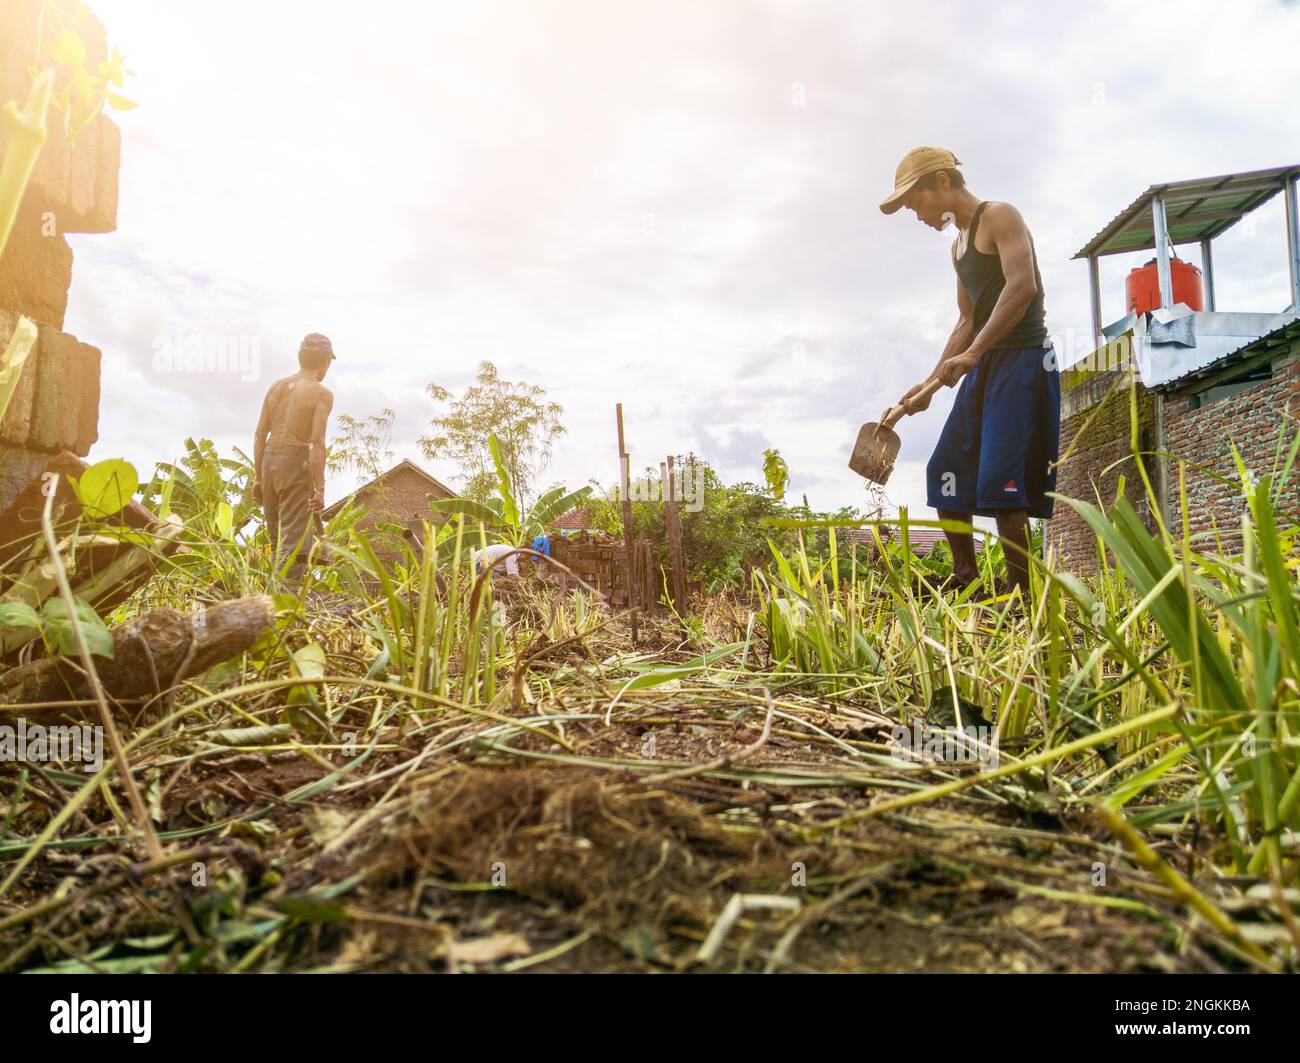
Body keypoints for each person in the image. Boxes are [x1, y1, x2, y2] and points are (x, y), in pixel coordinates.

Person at [880, 147, 1059, 600]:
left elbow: (1022, 286)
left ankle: (1021, 600)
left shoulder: (1000, 216)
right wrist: (927, 385)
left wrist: (976, 353)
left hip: (1022, 361)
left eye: (914, 202)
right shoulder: (958, 247)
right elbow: (966, 321)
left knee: (1004, 486)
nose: (916, 215)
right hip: (986, 364)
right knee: (946, 472)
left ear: (942, 182)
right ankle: (967, 578)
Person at [252, 333, 336, 579]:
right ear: (325, 363)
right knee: (293, 544)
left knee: (277, 540)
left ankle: (272, 599)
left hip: (269, 461)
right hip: (294, 462)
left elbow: (259, 435)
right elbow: (317, 443)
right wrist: (320, 488)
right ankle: (284, 605)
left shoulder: (276, 387)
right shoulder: (322, 394)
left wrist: (258, 478)